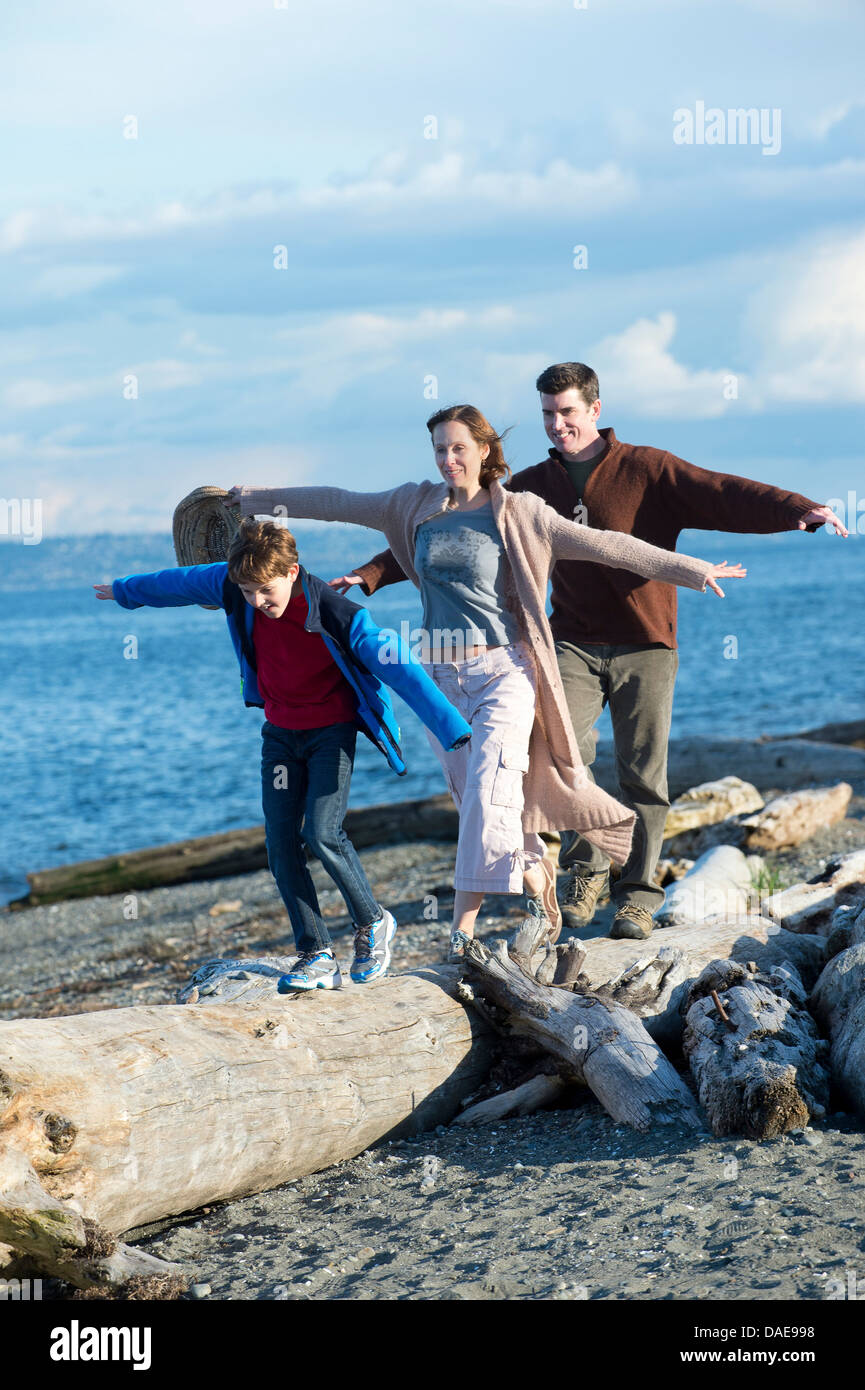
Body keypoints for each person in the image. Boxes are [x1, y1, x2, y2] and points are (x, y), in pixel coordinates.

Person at [336, 367, 847, 941]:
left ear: (595, 409)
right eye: (548, 415)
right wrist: (371, 574)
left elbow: (723, 493)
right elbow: (450, 531)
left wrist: (795, 509)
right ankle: (584, 875)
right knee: (566, 756)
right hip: (571, 642)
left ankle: (637, 895)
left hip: (648, 642)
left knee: (643, 773)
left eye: (568, 413)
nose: (558, 426)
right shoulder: (530, 488)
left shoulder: (650, 469)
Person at [225, 404, 745, 960]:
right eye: (440, 450)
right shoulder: (413, 505)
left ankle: (462, 934)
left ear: (484, 450)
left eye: (458, 449)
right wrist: (252, 499)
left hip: (505, 672)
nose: (449, 460)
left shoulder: (521, 513)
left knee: (486, 797)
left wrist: (691, 569)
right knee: (487, 801)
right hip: (442, 681)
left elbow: (609, 546)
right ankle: (538, 879)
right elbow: (336, 502)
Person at [93, 517, 471, 990]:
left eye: (265, 590)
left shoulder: (337, 615)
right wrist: (124, 591)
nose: (256, 602)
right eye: (247, 591)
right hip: (279, 734)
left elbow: (401, 666)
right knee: (279, 846)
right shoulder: (237, 585)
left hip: (331, 733)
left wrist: (452, 726)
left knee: (322, 832)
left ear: (293, 571)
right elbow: (181, 583)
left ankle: (373, 922)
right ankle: (315, 953)